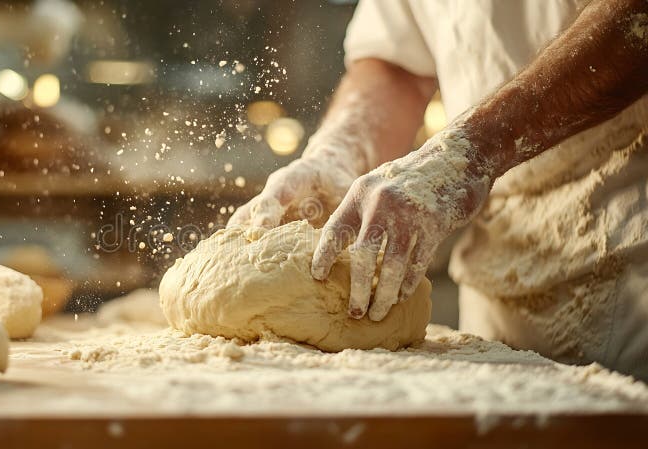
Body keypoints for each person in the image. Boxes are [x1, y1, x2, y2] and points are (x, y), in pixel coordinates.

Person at [228, 0, 648, 380]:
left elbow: (634, 21)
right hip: (500, 275)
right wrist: (340, 151)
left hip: (629, 255)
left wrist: (472, 150)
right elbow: (397, 63)